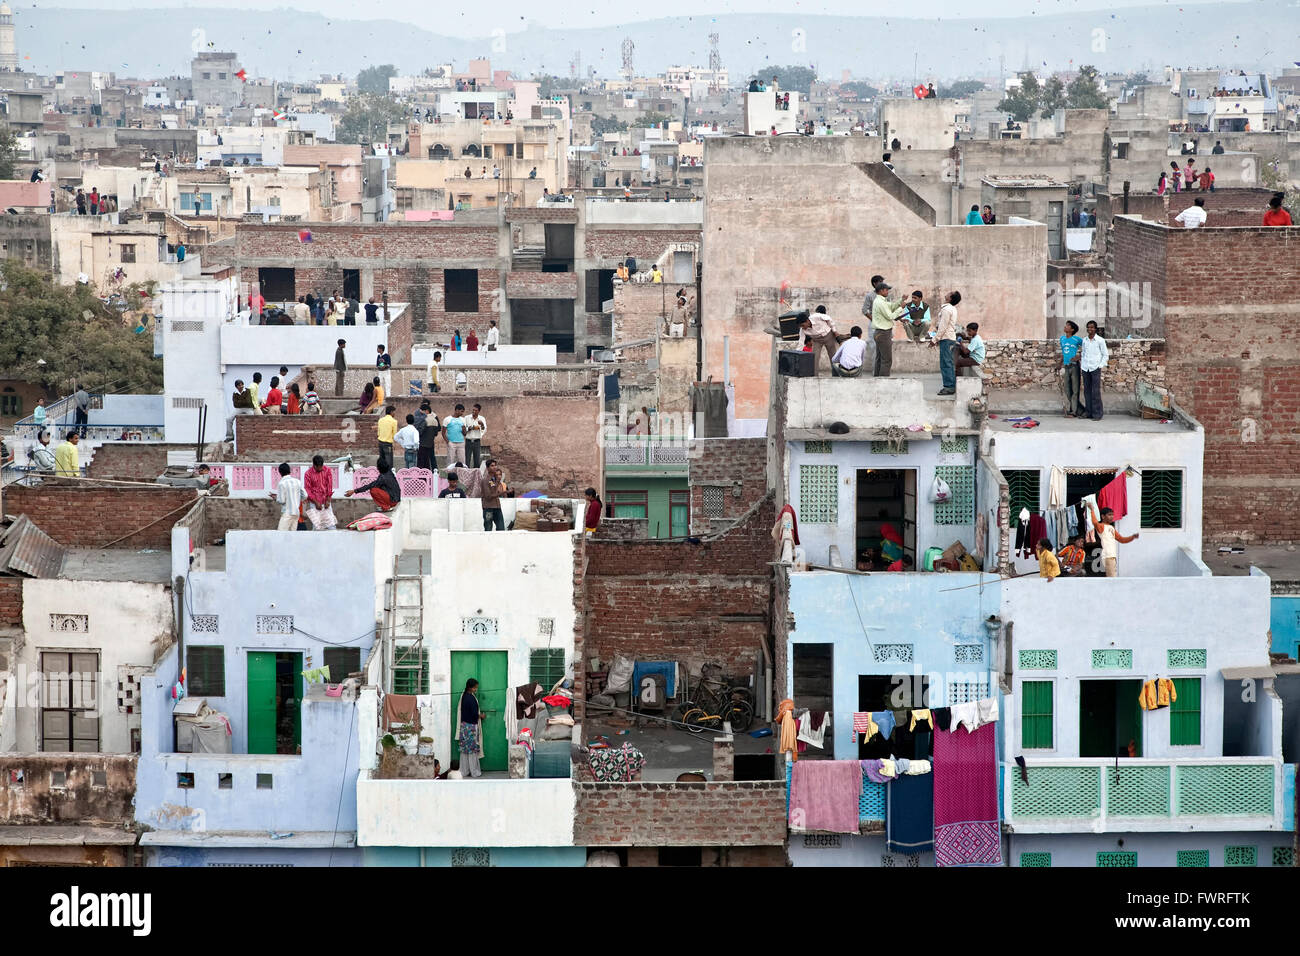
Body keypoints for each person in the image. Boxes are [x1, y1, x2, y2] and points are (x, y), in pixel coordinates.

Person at [1087, 503, 1138, 577]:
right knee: (1112, 578)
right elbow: (1095, 522)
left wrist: (1132, 537)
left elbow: (1122, 539)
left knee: (1111, 577)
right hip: (1108, 555)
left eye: (1112, 515)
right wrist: (1092, 509)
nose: (1112, 517)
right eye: (1109, 515)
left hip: (1112, 556)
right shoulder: (1101, 526)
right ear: (1103, 516)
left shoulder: (1111, 528)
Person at [870, 282, 907, 377]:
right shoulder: (880, 302)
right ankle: (884, 382)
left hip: (880, 333)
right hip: (883, 333)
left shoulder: (882, 301)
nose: (888, 291)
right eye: (886, 290)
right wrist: (901, 308)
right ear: (881, 291)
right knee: (886, 359)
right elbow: (891, 316)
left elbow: (891, 306)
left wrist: (901, 300)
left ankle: (877, 380)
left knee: (880, 358)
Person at [796, 306, 843, 376]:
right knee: (814, 358)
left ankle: (836, 374)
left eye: (803, 325)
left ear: (807, 321)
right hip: (816, 340)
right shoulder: (802, 330)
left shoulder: (816, 316)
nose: (802, 327)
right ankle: (814, 376)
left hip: (828, 336)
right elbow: (801, 342)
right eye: (801, 326)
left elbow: (829, 319)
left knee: (833, 357)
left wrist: (835, 331)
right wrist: (797, 354)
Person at [929, 290, 961, 395]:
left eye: (949, 293)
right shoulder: (951, 309)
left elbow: (943, 327)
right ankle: (950, 385)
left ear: (950, 298)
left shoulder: (947, 310)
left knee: (946, 363)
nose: (946, 293)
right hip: (949, 338)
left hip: (946, 339)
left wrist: (935, 340)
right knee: (948, 362)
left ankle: (949, 387)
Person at [1079, 320, 1109, 420]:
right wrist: (1082, 364)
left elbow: (1105, 355)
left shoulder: (1100, 340)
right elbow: (1083, 353)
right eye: (1088, 327)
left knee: (1095, 392)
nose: (1090, 329)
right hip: (1085, 368)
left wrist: (1100, 366)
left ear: (1095, 329)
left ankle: (1097, 414)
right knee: (1087, 391)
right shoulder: (1085, 340)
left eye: (1092, 327)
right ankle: (1088, 412)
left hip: (1095, 368)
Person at [456, 678, 485, 778]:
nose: (476, 689)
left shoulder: (464, 696)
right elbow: (473, 714)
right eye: (475, 687)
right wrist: (481, 716)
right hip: (471, 727)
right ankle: (474, 772)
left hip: (464, 727)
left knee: (464, 751)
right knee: (472, 751)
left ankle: (464, 771)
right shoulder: (470, 698)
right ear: (470, 687)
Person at [1056, 320, 1085, 417]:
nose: (1065, 327)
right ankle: (1079, 409)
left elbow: (1087, 347)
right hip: (1067, 366)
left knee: (1075, 390)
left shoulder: (1077, 339)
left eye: (1067, 326)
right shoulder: (1062, 339)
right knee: (1067, 390)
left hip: (1075, 365)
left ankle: (1073, 411)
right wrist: (1059, 364)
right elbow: (1064, 352)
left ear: (1072, 329)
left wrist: (1079, 357)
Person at [302, 455, 337, 530]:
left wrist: (328, 500)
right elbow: (308, 489)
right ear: (314, 465)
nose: (321, 468)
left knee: (331, 525)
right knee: (317, 526)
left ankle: (333, 540)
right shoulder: (308, 474)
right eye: (319, 467)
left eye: (322, 466)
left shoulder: (327, 470)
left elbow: (329, 485)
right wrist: (316, 502)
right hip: (314, 503)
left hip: (326, 501)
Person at [271, 463, 306, 531]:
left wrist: (276, 498)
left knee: (281, 533)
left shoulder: (281, 483)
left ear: (280, 473)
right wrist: (297, 499)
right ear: (289, 471)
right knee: (292, 535)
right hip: (296, 512)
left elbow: (281, 500)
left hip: (287, 512)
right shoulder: (298, 481)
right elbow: (305, 495)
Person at [482, 461, 508, 531]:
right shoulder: (485, 480)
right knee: (488, 529)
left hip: (497, 507)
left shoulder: (494, 480)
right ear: (487, 468)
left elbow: (494, 490)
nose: (495, 467)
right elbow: (488, 496)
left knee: (501, 528)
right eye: (492, 466)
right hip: (488, 508)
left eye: (495, 465)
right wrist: (502, 492)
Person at [415, 400, 439, 470]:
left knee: (421, 463)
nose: (420, 412)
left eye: (422, 411)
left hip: (422, 444)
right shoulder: (434, 420)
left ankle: (421, 479)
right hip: (430, 444)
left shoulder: (424, 419)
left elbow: (420, 432)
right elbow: (436, 433)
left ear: (426, 411)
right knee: (428, 462)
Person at [464, 403, 486, 468]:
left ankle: (476, 476)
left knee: (477, 460)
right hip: (468, 441)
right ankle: (466, 474)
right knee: (467, 460)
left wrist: (481, 424)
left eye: (475, 410)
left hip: (477, 441)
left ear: (479, 411)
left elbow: (484, 429)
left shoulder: (482, 418)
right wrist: (469, 428)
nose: (473, 411)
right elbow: (463, 428)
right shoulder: (466, 418)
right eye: (473, 410)